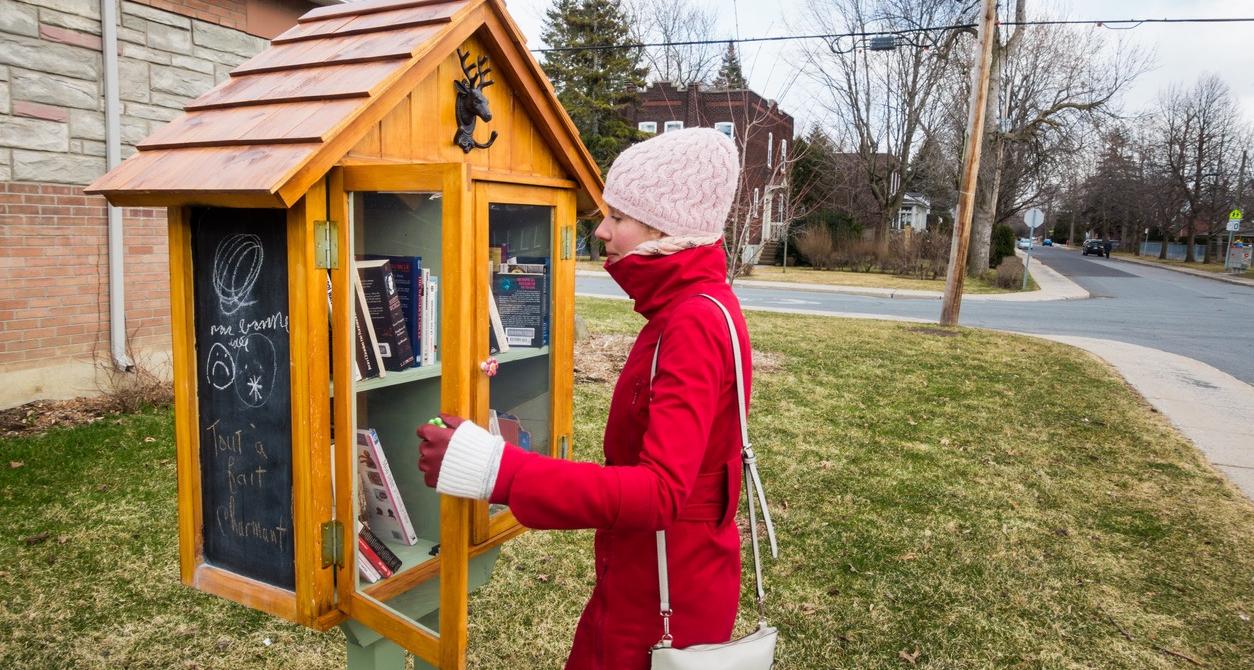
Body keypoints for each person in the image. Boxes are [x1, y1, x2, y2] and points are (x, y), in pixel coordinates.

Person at [416, 127, 752, 670]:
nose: (602, 232)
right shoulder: (695, 306)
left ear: (666, 227)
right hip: (656, 577)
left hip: (663, 601)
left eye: (619, 218)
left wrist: (500, 471)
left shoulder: (692, 321)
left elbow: (661, 491)